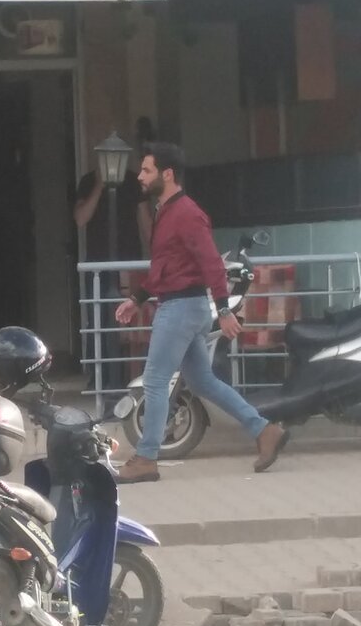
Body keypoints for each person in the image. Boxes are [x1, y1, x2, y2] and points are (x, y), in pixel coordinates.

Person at [114, 142, 289, 483]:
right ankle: (264, 430)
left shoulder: (187, 213)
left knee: (155, 381)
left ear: (167, 174)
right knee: (202, 380)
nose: (140, 175)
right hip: (182, 305)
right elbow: (166, 267)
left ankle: (147, 458)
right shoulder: (167, 210)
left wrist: (224, 309)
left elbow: (211, 264)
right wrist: (136, 299)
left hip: (181, 308)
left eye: (146, 170)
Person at [74, 135, 152, 387]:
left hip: (130, 262)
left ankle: (131, 379)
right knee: (100, 319)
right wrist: (99, 185)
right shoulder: (88, 182)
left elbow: (145, 222)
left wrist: (156, 256)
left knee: (131, 323)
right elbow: (80, 219)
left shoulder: (133, 182)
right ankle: (102, 380)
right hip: (99, 264)